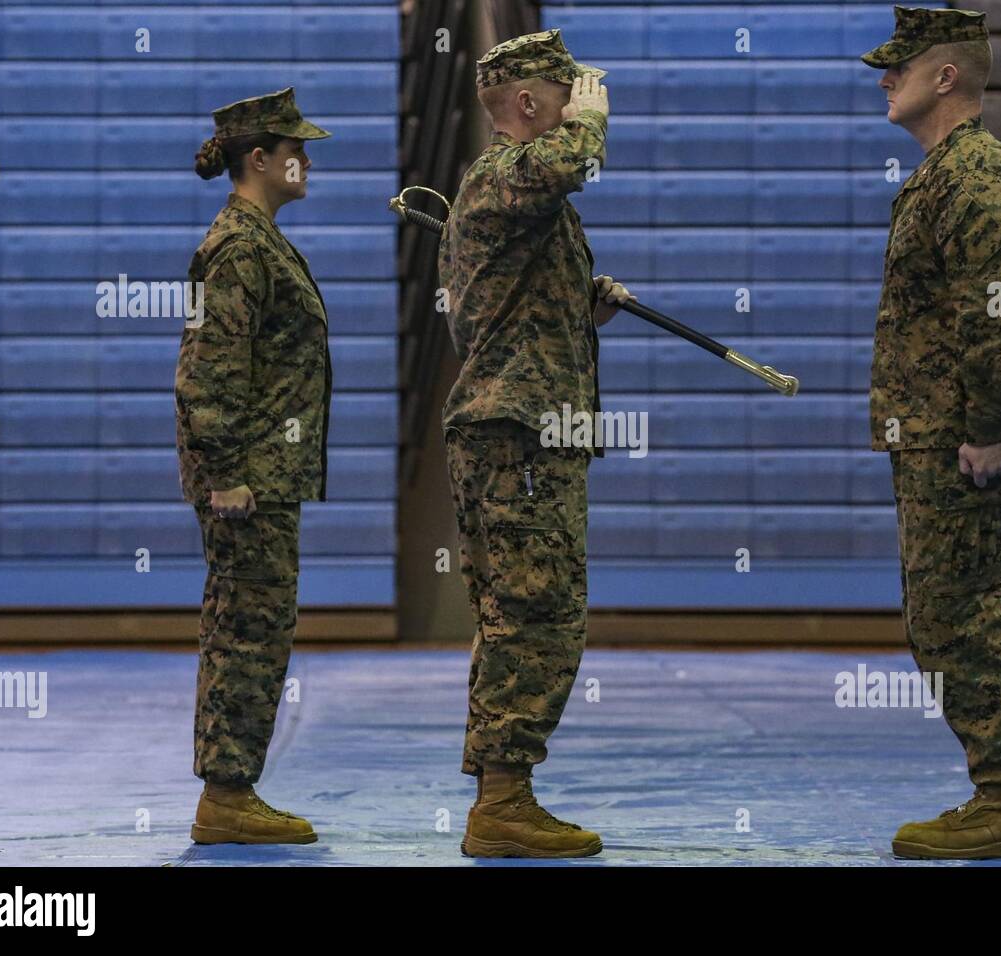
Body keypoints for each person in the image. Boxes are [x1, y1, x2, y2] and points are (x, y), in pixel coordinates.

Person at [861, 7, 1001, 859]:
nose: (885, 79)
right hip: (938, 434)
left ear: (945, 76)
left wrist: (987, 429)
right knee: (943, 614)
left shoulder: (974, 174)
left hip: (962, 440)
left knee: (958, 614)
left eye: (899, 66)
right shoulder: (948, 172)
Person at [438, 29, 634, 858]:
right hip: (516, 437)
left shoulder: (519, 197)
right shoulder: (504, 175)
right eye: (565, 94)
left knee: (516, 613)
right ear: (529, 103)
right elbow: (562, 165)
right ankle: (504, 800)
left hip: (525, 430)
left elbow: (498, 314)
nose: (578, 105)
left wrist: (578, 306)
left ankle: (501, 791)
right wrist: (590, 126)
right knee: (536, 615)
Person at [177, 87, 333, 845]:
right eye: (294, 149)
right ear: (260, 159)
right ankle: (227, 796)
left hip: (266, 475)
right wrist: (226, 472)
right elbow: (209, 372)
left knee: (256, 629)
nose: (306, 160)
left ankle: (231, 791)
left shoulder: (257, 238)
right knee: (246, 630)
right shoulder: (239, 246)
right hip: (248, 481)